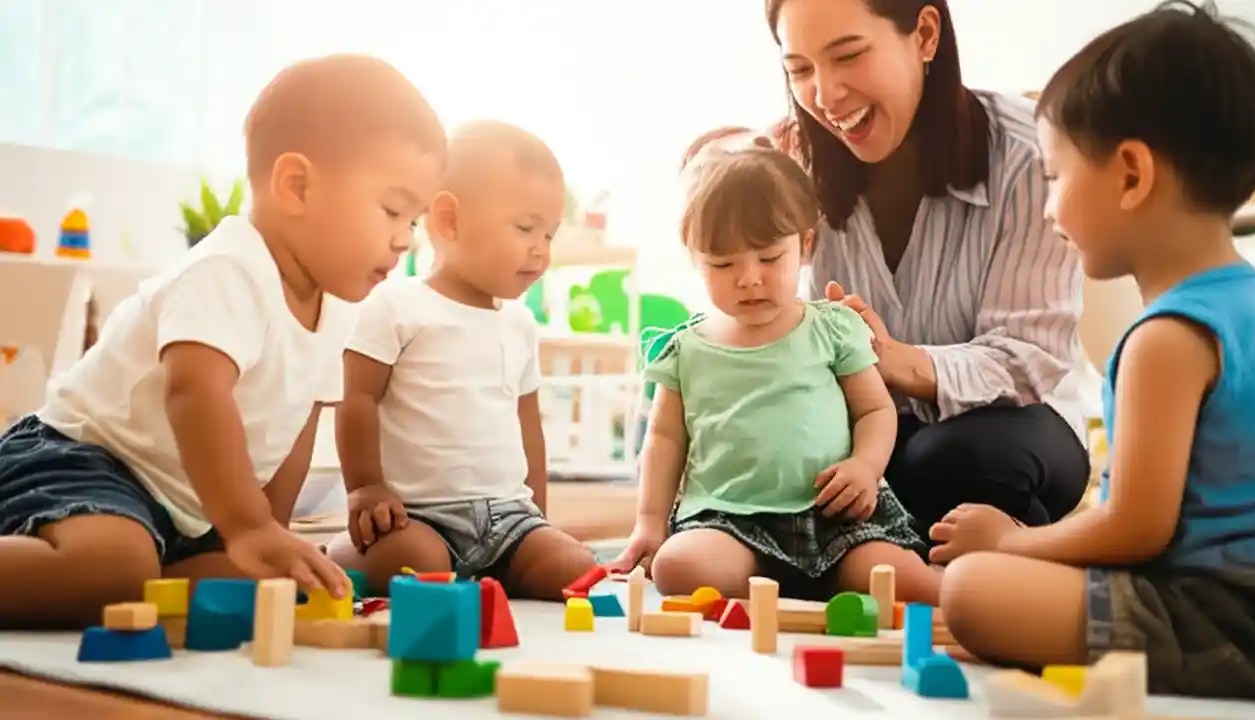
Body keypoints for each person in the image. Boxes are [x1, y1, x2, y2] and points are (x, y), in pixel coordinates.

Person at [0, 54, 446, 628]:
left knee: (271, 586)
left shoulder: (338, 306)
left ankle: (141, 576)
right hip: (85, 461)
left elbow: (299, 425)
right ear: (297, 185)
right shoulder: (229, 269)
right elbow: (195, 394)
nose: (405, 240)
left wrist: (273, 534)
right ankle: (115, 572)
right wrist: (248, 525)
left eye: (413, 221)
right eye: (392, 210)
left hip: (184, 508)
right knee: (112, 567)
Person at [933, 2, 1255, 699]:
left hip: (1228, 618)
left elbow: (1136, 528)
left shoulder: (1166, 339)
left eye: (1056, 177)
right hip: (1244, 598)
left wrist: (1009, 543)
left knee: (973, 588)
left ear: (1130, 175)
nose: (1048, 208)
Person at [765, 0, 1090, 535]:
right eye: (800, 70)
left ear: (925, 34)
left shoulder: (1028, 157)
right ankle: (971, 556)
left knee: (942, 461)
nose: (824, 97)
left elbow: (1029, 358)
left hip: (1015, 422)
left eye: (847, 56)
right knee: (805, 469)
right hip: (866, 426)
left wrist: (899, 362)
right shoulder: (793, 161)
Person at [611, 146, 940, 603]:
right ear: (694, 259)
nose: (748, 278)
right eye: (723, 264)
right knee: (677, 567)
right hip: (727, 521)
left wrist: (865, 467)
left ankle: (972, 586)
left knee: (907, 580)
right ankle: (780, 580)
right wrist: (650, 522)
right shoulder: (685, 348)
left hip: (835, 519)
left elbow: (875, 409)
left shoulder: (831, 326)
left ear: (804, 246)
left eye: (768, 258)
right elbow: (664, 440)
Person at [326, 120, 598, 600]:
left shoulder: (518, 325)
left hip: (509, 517)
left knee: (573, 569)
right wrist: (365, 488)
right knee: (420, 564)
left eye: (550, 235)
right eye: (525, 228)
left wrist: (539, 518)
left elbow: (527, 425)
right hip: (418, 515)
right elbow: (357, 398)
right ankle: (337, 553)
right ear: (449, 220)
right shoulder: (397, 306)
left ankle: (491, 572)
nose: (541, 250)